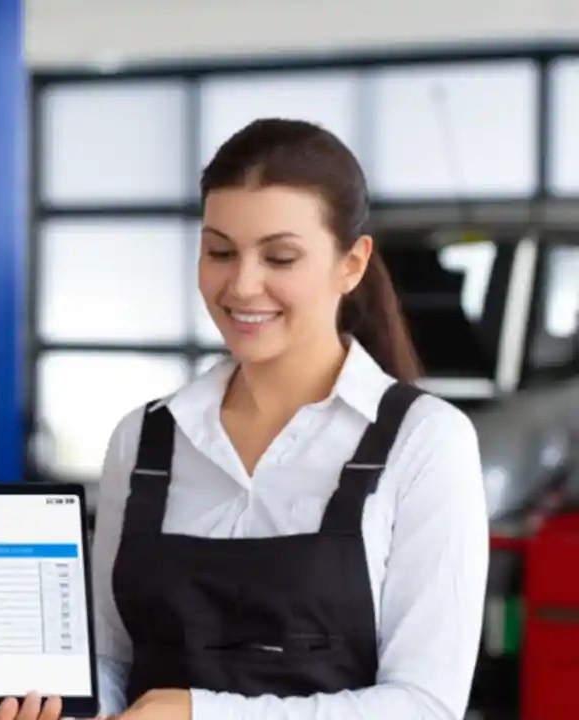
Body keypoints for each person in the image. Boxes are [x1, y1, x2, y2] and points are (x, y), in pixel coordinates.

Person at [90, 118, 489, 719]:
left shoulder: (425, 441)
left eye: (280, 257)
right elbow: (109, 659)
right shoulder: (143, 441)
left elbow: (424, 706)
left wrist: (202, 714)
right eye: (220, 252)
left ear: (351, 264)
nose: (243, 285)